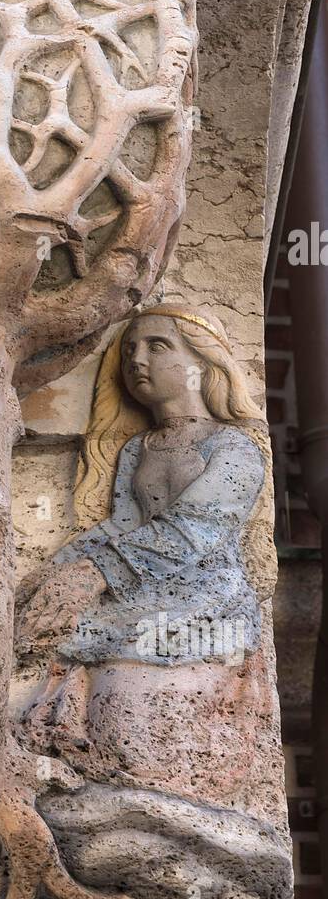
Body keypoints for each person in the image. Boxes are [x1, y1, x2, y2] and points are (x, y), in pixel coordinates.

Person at [19, 304, 273, 802]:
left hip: (204, 596)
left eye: (158, 346)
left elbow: (194, 529)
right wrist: (57, 572)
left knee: (116, 678)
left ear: (203, 362)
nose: (138, 358)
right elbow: (124, 525)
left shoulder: (234, 447)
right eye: (131, 348)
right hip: (143, 584)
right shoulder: (138, 447)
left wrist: (97, 573)